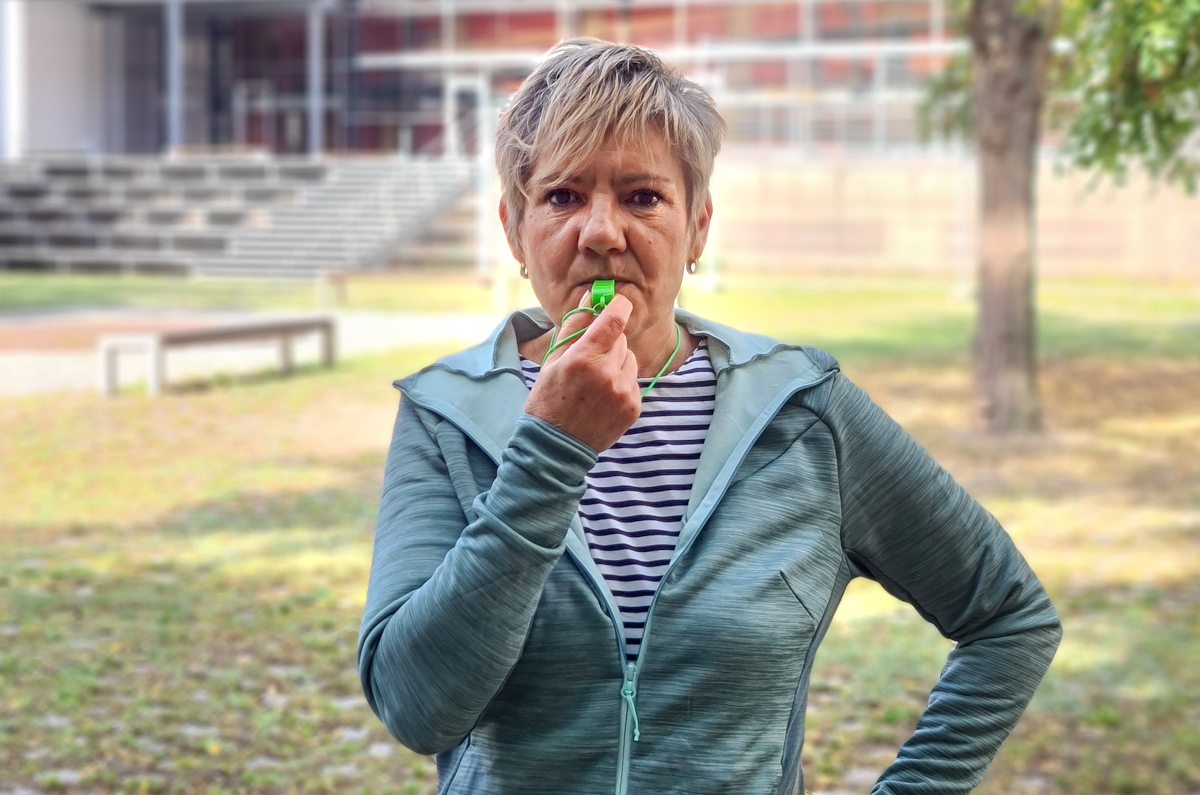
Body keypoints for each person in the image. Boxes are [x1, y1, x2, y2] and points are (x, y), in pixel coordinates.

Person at [358, 38, 1061, 795]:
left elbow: (1009, 617)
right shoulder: (444, 413)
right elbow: (414, 707)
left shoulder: (803, 410)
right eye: (562, 196)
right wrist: (552, 449)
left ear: (696, 228)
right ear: (513, 229)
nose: (601, 231)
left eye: (642, 196)